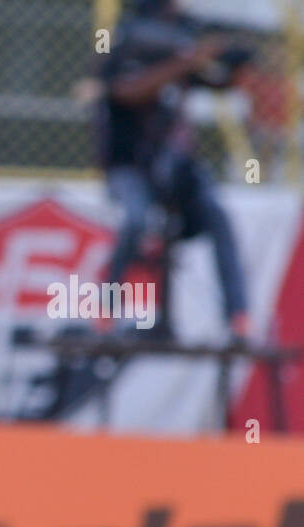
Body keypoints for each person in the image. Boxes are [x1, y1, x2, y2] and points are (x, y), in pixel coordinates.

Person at [96, 0, 252, 341]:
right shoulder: (124, 49)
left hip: (172, 170)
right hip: (131, 169)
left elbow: (217, 82)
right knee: (136, 218)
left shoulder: (181, 54)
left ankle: (239, 317)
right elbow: (128, 91)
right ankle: (105, 310)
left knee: (217, 214)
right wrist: (185, 60)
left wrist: (236, 62)